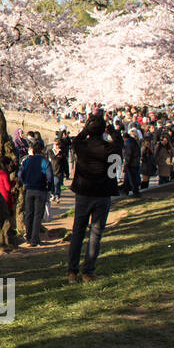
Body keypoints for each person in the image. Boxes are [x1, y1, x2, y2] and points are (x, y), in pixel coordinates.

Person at [67, 111, 120, 283]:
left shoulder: (82, 147)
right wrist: (112, 130)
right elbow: (119, 143)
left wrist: (85, 128)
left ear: (89, 130)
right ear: (103, 131)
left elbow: (76, 140)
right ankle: (88, 271)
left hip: (83, 193)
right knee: (95, 234)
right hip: (102, 194)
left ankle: (72, 271)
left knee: (77, 233)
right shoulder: (110, 148)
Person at [18, 141, 54, 247]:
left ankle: (28, 236)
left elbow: (20, 174)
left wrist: (25, 182)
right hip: (41, 189)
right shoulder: (45, 161)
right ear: (42, 150)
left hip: (29, 189)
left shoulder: (26, 161)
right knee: (38, 214)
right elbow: (50, 177)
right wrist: (49, 187)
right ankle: (35, 238)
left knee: (29, 213)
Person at [122, 127, 142, 196]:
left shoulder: (128, 143)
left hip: (131, 163)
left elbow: (128, 155)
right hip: (135, 162)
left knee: (132, 178)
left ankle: (134, 191)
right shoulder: (134, 141)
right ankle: (125, 190)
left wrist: (125, 164)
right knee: (129, 178)